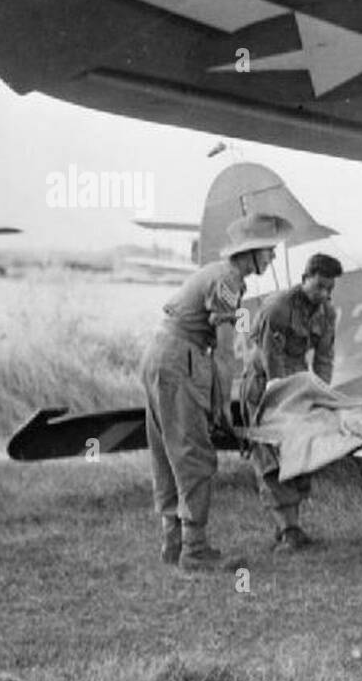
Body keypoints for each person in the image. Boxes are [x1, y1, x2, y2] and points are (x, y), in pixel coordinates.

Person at [140, 213, 288, 571]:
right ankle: (194, 549)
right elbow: (223, 350)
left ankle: (172, 541)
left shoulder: (218, 275)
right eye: (267, 252)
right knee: (194, 453)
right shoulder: (228, 281)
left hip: (159, 354)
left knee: (165, 451)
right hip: (181, 358)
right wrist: (222, 403)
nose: (270, 260)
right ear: (249, 253)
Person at [241, 252, 343, 552]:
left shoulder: (327, 313)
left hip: (298, 383)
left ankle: (291, 527)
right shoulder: (276, 308)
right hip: (265, 387)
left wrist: (321, 395)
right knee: (271, 457)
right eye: (319, 286)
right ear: (304, 279)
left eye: (330, 289)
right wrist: (284, 401)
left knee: (299, 452)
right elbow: (270, 360)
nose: (324, 294)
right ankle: (288, 530)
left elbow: (324, 359)